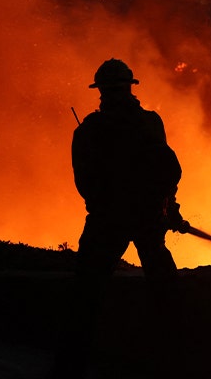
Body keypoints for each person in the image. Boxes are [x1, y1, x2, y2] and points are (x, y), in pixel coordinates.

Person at [53, 58, 187, 377]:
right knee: (163, 286)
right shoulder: (149, 123)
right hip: (143, 218)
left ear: (100, 91)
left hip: (107, 222)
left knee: (87, 292)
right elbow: (168, 173)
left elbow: (85, 182)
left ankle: (71, 366)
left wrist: (111, 205)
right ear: (130, 87)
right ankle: (174, 357)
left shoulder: (89, 130)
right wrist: (166, 208)